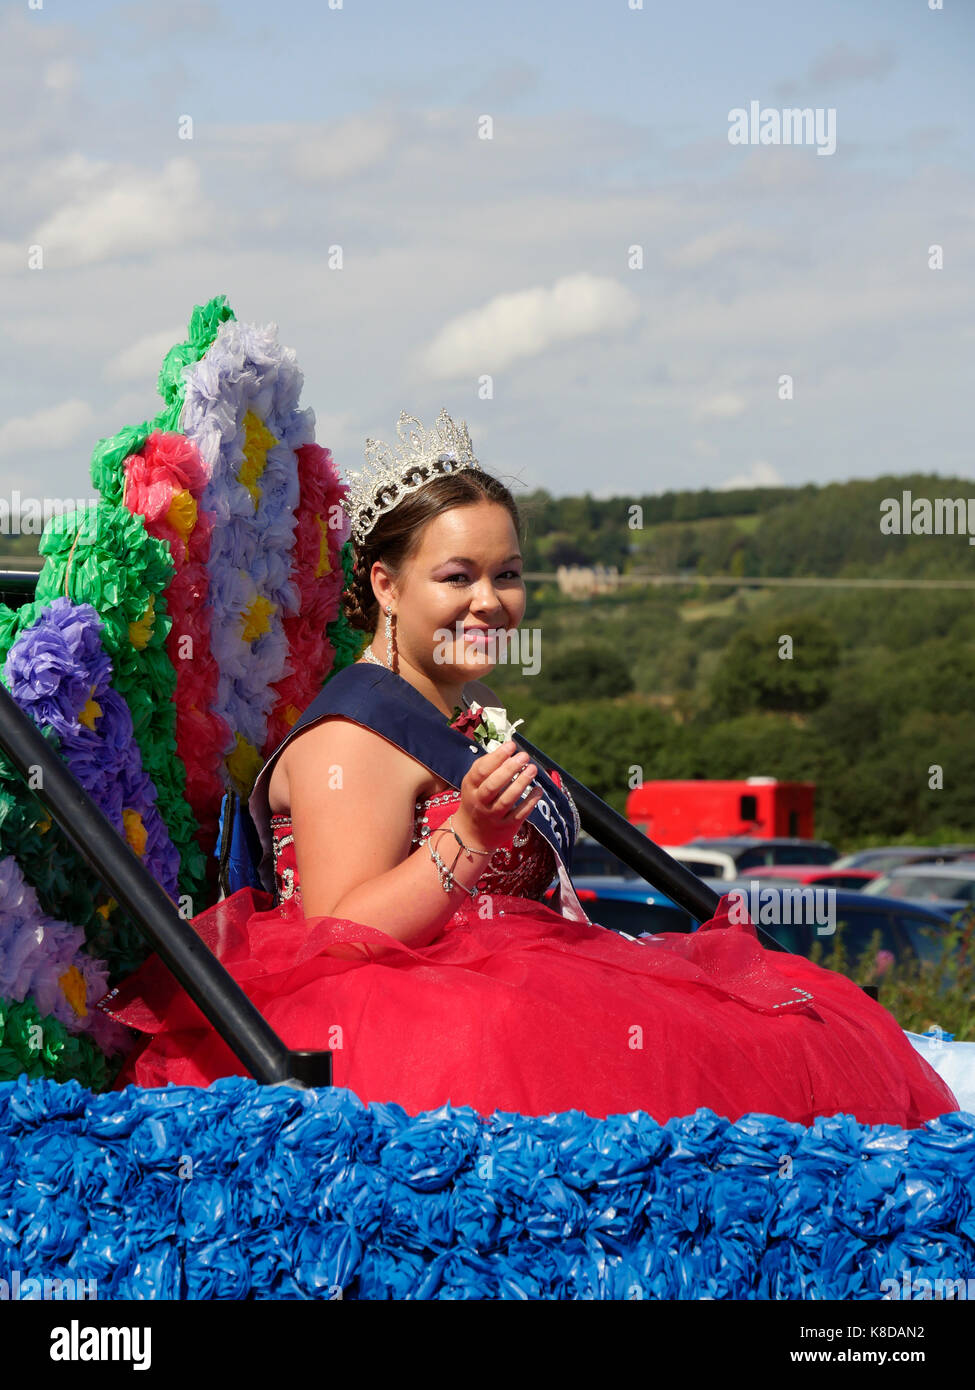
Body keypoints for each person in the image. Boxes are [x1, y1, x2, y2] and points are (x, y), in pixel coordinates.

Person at [101, 410, 959, 1128]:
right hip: (406, 1029)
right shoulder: (350, 738)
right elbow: (340, 934)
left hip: (523, 986)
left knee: (791, 1024)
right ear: (386, 586)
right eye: (457, 575)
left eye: (507, 575)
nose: (490, 600)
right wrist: (470, 837)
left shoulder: (459, 718)